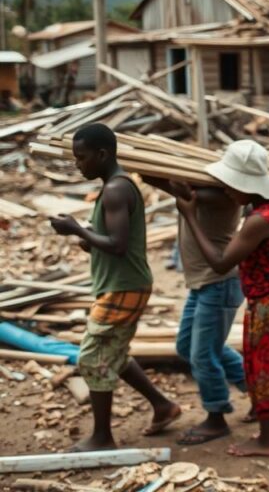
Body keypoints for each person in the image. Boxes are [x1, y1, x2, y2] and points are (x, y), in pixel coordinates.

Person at [174, 139, 269, 457]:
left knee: (263, 367)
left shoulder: (259, 220)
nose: (228, 193)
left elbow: (220, 262)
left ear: (245, 186)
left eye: (231, 186)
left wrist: (190, 217)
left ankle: (266, 440)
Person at [49, 123, 181, 451]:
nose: (78, 164)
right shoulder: (114, 186)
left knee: (92, 357)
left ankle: (103, 437)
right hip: (123, 284)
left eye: (82, 157)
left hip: (125, 286)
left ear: (102, 154)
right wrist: (85, 237)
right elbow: (110, 239)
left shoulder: (115, 189)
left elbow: (119, 244)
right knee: (115, 353)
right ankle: (163, 406)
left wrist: (78, 230)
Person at [142, 176, 247, 445]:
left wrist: (151, 171)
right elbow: (172, 185)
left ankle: (217, 416)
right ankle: (258, 389)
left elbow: (178, 187)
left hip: (218, 283)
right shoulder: (205, 192)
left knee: (202, 354)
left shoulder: (223, 195)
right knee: (189, 345)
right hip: (204, 284)